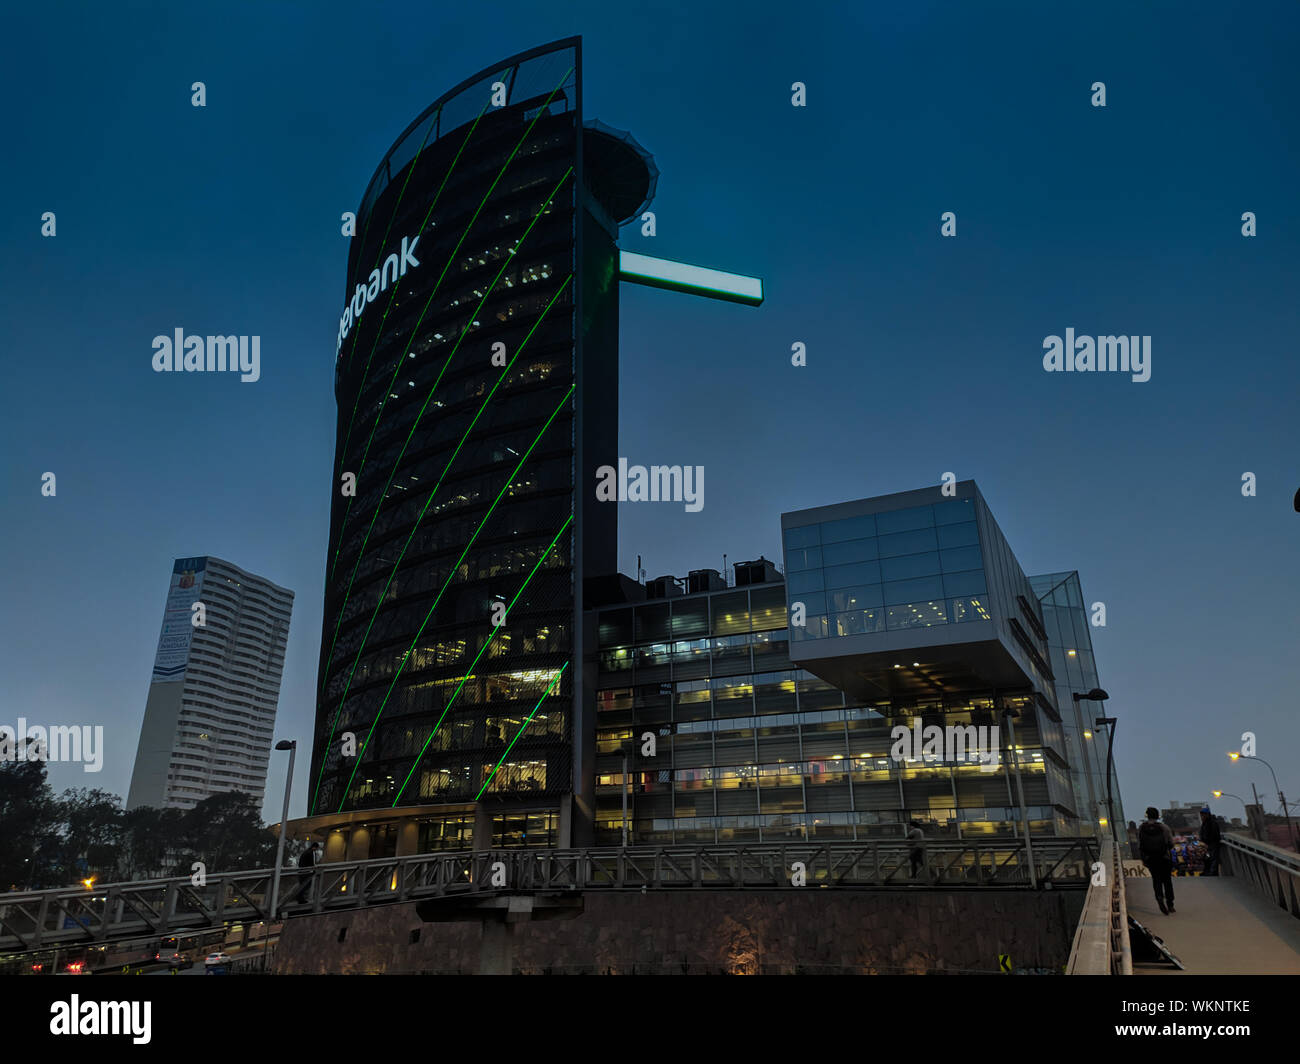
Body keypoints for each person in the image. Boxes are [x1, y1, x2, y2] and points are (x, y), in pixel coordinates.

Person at [1137, 806, 1175, 913]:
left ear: (1147, 815)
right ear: (1158, 816)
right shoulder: (1164, 828)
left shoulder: (1141, 828)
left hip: (1150, 859)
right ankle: (1170, 904)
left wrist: (1144, 859)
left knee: (1156, 879)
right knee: (1167, 881)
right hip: (1164, 858)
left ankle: (1159, 897)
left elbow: (1139, 845)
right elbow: (1171, 844)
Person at [1200, 807, 1222, 876]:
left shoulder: (1212, 823)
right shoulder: (1204, 823)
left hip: (1213, 843)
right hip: (1207, 844)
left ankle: (1213, 872)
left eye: (1204, 815)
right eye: (1202, 815)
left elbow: (1214, 834)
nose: (1202, 816)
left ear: (1207, 815)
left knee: (1213, 858)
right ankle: (1207, 871)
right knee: (1207, 858)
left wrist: (1208, 841)